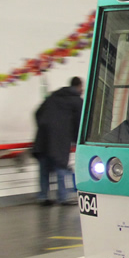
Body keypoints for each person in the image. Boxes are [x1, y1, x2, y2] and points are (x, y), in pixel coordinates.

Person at [33, 77, 83, 205]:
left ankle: (43, 196)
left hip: (43, 137)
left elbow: (37, 113)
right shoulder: (77, 101)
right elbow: (80, 123)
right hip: (60, 138)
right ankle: (63, 198)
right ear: (79, 86)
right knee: (60, 166)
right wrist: (77, 139)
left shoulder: (52, 97)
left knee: (44, 168)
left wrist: (44, 126)